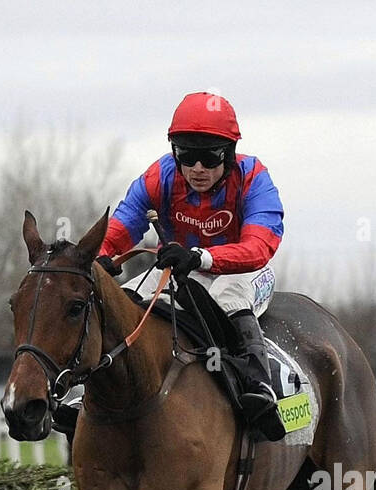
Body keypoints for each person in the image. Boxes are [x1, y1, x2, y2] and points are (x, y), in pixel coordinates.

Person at [93, 91, 286, 441]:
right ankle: (89, 392)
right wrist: (101, 258)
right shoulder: (159, 177)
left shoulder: (254, 177)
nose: (198, 168)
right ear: (174, 152)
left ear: (228, 155)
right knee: (123, 298)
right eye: (187, 155)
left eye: (209, 157)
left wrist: (202, 256)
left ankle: (261, 386)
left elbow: (260, 247)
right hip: (183, 268)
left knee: (228, 294)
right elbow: (120, 229)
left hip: (246, 271)